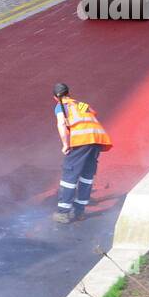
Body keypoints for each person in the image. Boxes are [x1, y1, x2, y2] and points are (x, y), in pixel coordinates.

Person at [52, 84, 112, 223]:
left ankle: (63, 212)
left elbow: (61, 124)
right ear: (68, 93)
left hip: (80, 141)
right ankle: (79, 212)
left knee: (69, 176)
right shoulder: (79, 104)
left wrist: (66, 144)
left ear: (55, 98)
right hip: (96, 140)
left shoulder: (61, 105)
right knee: (87, 176)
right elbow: (92, 114)